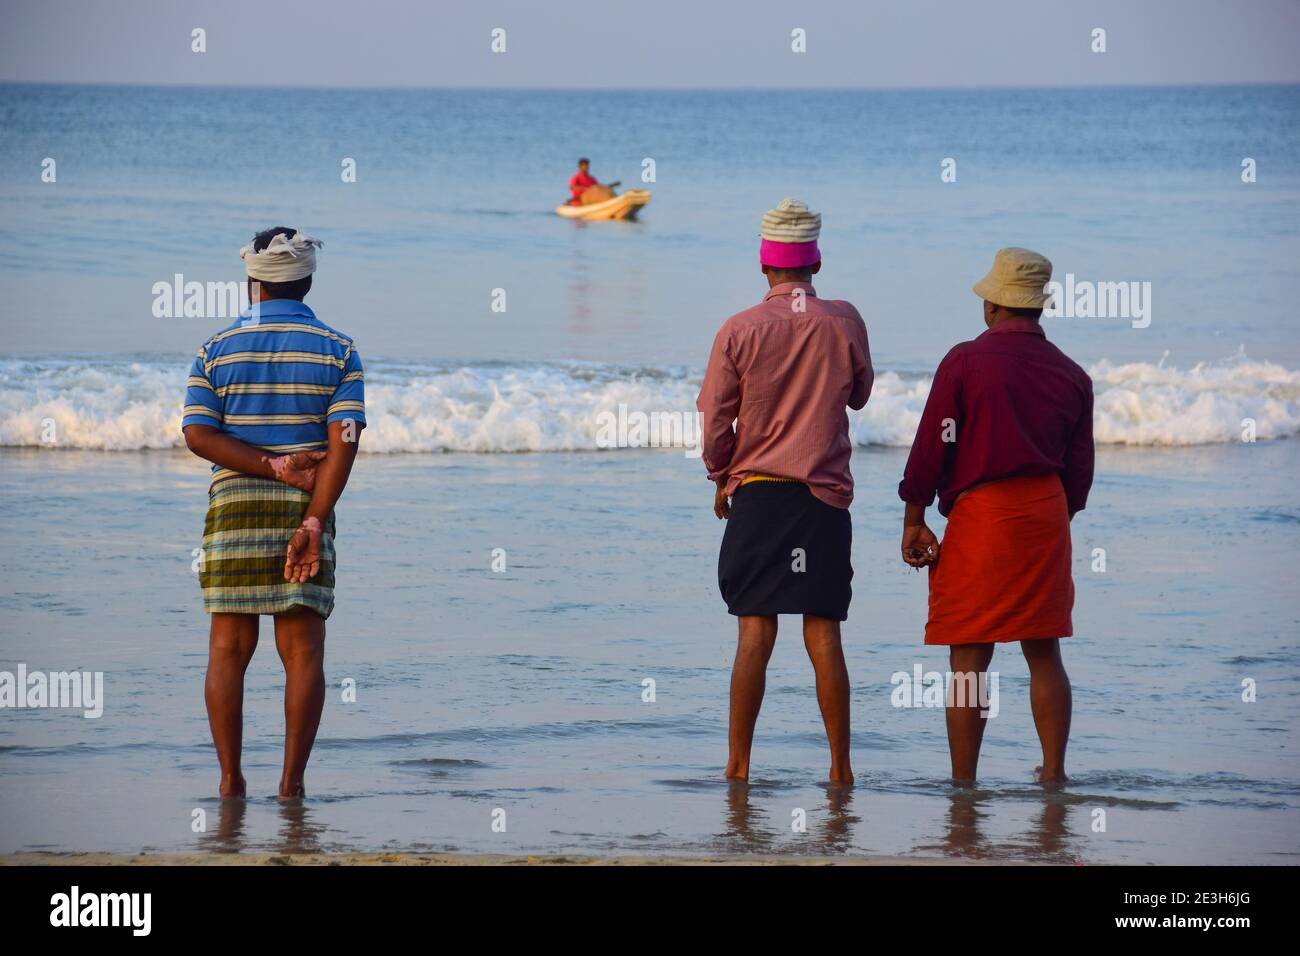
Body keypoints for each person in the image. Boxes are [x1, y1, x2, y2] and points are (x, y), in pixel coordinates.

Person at [897, 247, 1094, 788]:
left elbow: (931, 449)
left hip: (982, 514)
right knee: (1043, 648)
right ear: (1038, 308)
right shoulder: (1073, 375)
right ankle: (1054, 773)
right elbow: (1080, 472)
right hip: (1045, 513)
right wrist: (1055, 520)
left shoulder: (964, 361)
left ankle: (964, 782)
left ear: (993, 306)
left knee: (969, 654)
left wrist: (914, 517)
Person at [181, 227, 366, 800]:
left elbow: (197, 433)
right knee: (303, 650)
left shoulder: (216, 349)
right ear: (307, 282)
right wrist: (312, 517)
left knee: (227, 650)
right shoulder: (338, 349)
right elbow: (346, 441)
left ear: (251, 282)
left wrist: (267, 464)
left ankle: (230, 780)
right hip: (306, 508)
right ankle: (291, 785)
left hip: (235, 507)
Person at [697, 198, 873, 785]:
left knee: (755, 628)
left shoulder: (739, 328)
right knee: (823, 630)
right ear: (816, 260)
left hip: (759, 497)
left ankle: (738, 767)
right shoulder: (845, 320)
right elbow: (860, 395)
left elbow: (716, 420)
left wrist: (722, 473)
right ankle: (840, 769)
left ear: (764, 264)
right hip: (822, 498)